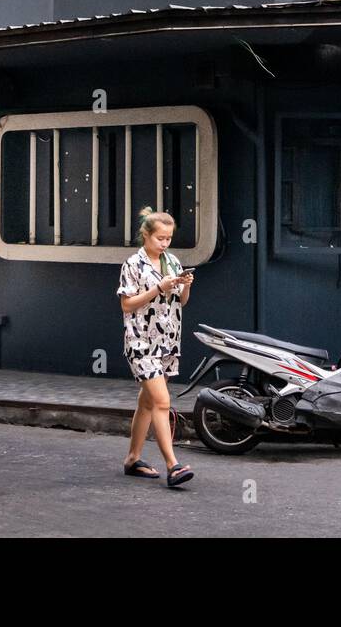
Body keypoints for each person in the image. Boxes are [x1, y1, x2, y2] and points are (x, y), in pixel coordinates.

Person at [117, 206, 195, 487]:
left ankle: (132, 459)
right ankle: (173, 466)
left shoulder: (172, 262)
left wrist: (185, 285)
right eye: (160, 238)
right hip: (140, 342)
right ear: (146, 235)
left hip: (168, 342)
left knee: (147, 402)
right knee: (162, 401)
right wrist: (158, 289)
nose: (164, 243)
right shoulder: (132, 265)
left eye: (169, 238)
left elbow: (181, 302)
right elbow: (127, 304)